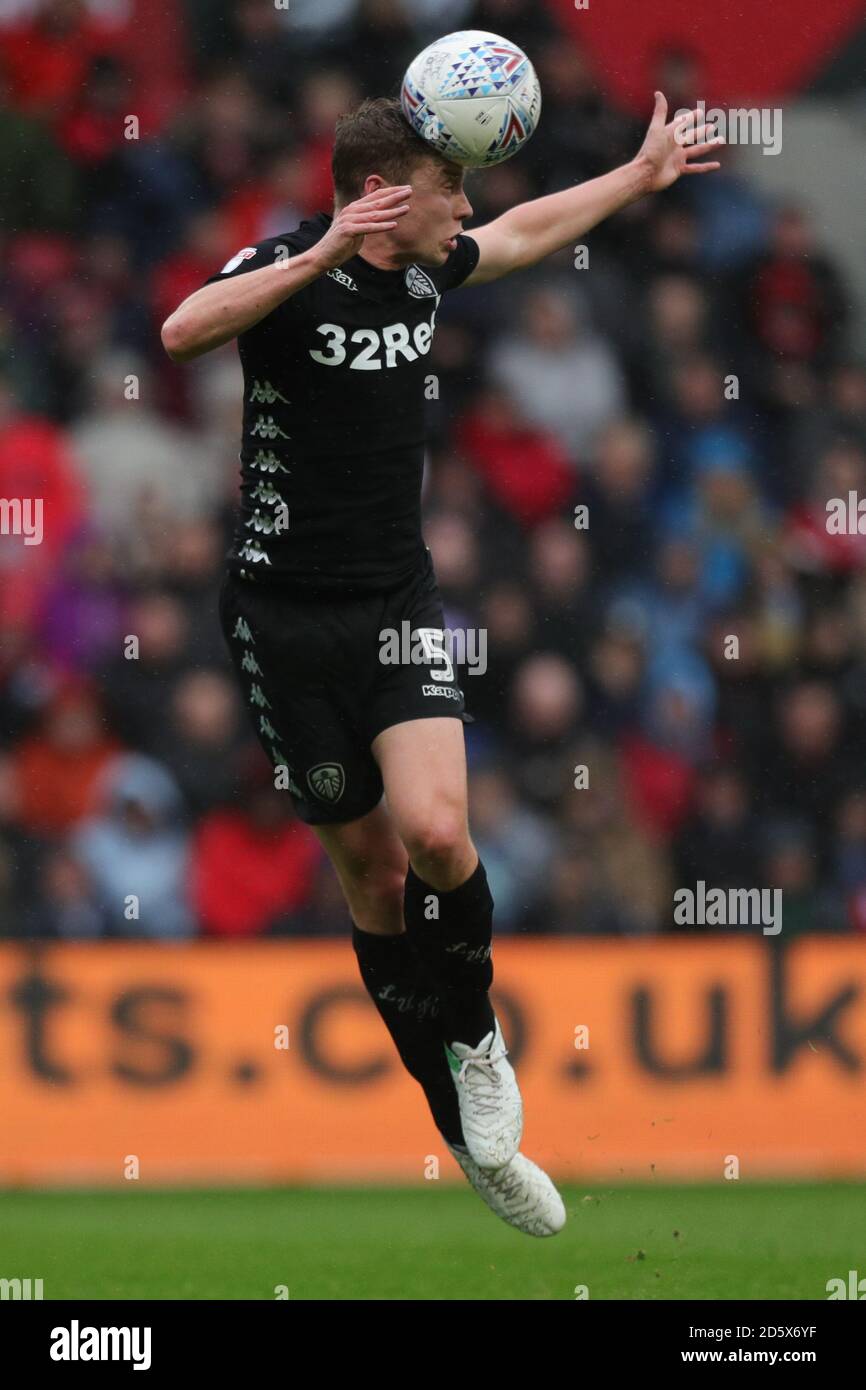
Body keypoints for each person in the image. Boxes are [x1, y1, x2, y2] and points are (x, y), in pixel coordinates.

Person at [161, 91, 723, 1236]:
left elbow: (518, 236)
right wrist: (316, 249)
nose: (466, 207)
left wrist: (632, 174)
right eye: (449, 186)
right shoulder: (285, 264)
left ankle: (472, 1044)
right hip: (279, 620)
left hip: (398, 602)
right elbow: (179, 332)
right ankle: (463, 1136)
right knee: (368, 877)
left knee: (435, 836)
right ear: (384, 198)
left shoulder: (426, 272)